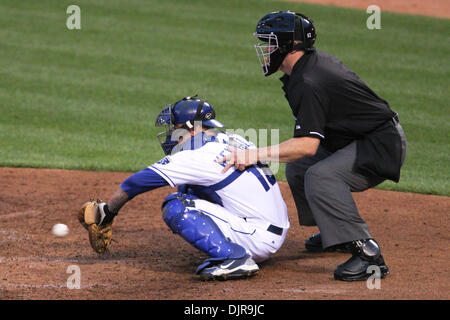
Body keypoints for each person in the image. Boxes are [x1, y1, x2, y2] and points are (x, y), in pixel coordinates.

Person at [219, 11, 407, 281]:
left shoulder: (309, 80)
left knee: (320, 175)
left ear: (289, 45)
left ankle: (367, 254)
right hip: (356, 138)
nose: (266, 49)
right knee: (300, 168)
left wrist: (253, 155)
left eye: (271, 42)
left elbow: (307, 145)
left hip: (380, 143)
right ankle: (337, 234)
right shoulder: (304, 69)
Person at [79, 96, 290, 281]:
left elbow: (134, 184)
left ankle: (234, 258)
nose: (171, 133)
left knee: (176, 205)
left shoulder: (196, 156)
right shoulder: (231, 139)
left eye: (176, 127)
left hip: (257, 238)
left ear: (194, 128)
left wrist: (109, 211)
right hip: (272, 226)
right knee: (187, 189)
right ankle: (235, 247)